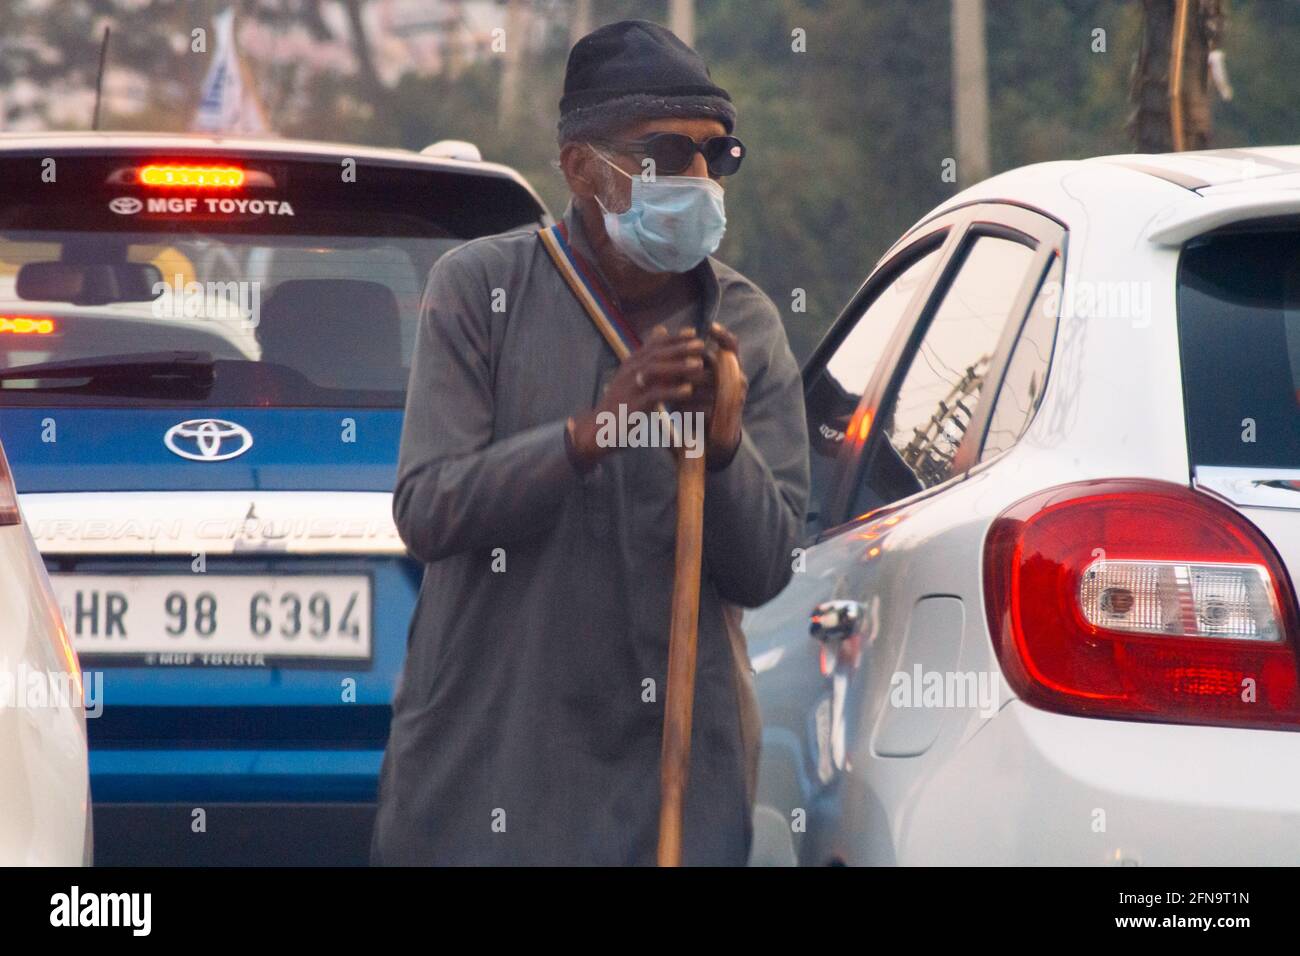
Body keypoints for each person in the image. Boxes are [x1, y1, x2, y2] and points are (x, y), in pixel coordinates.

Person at [371, 18, 809, 866]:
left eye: (716, 158)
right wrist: (592, 432)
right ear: (581, 168)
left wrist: (723, 457)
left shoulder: (742, 326)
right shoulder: (480, 290)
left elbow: (767, 567)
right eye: (665, 154)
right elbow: (427, 509)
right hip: (497, 762)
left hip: (673, 773)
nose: (697, 178)